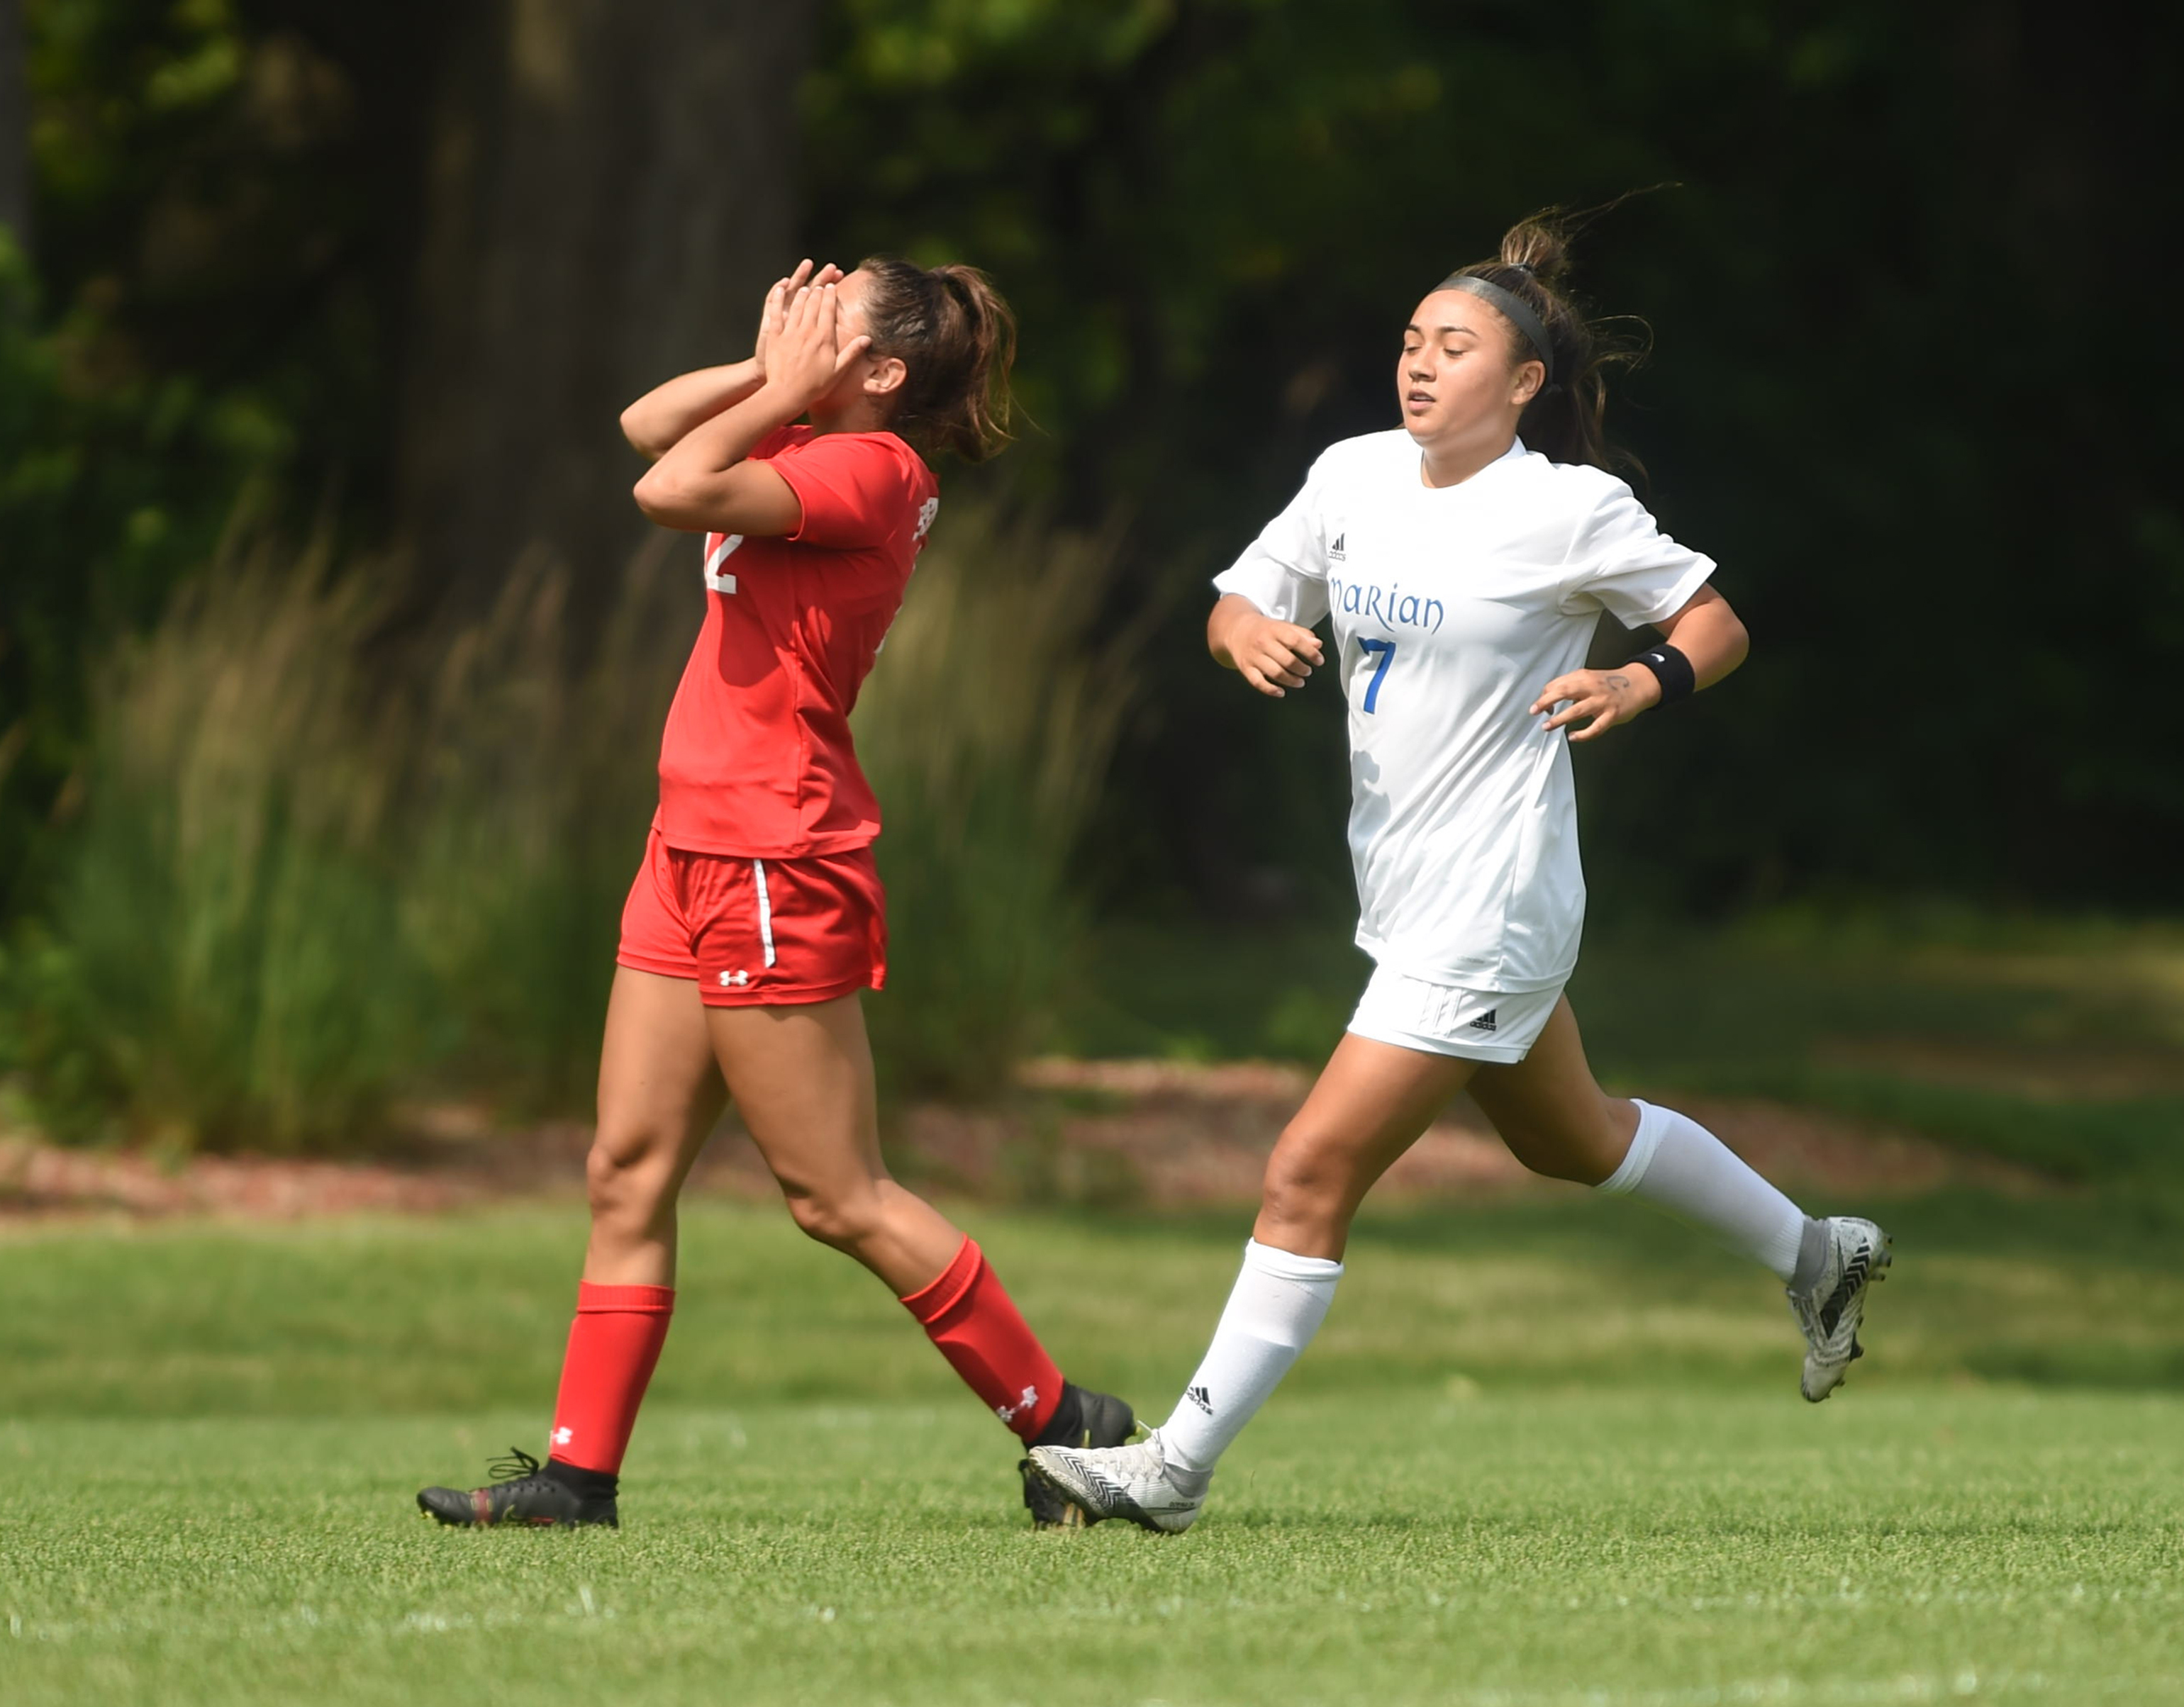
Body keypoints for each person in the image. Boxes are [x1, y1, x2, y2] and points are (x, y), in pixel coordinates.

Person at [1028, 213, 1890, 1534]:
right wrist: (1243, 633)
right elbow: (1240, 601)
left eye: (1455, 346)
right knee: (1575, 1140)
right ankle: (1816, 1254)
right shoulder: (1353, 474)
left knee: (1307, 1170)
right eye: (1411, 342)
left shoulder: (1566, 509)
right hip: (1405, 893)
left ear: (1526, 383)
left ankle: (1172, 1471)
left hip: (1490, 906)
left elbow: (1713, 622)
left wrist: (1637, 681)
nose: (1420, 365)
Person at [417, 258, 1132, 1530]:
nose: (800, 319)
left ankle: (1065, 1422)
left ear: (884, 374)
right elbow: (647, 425)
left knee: (835, 1197)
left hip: (773, 857)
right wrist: (769, 370)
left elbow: (665, 489)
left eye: (828, 317)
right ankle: (577, 1482)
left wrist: (777, 391)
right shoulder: (800, 430)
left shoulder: (875, 470)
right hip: (686, 847)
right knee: (626, 1169)